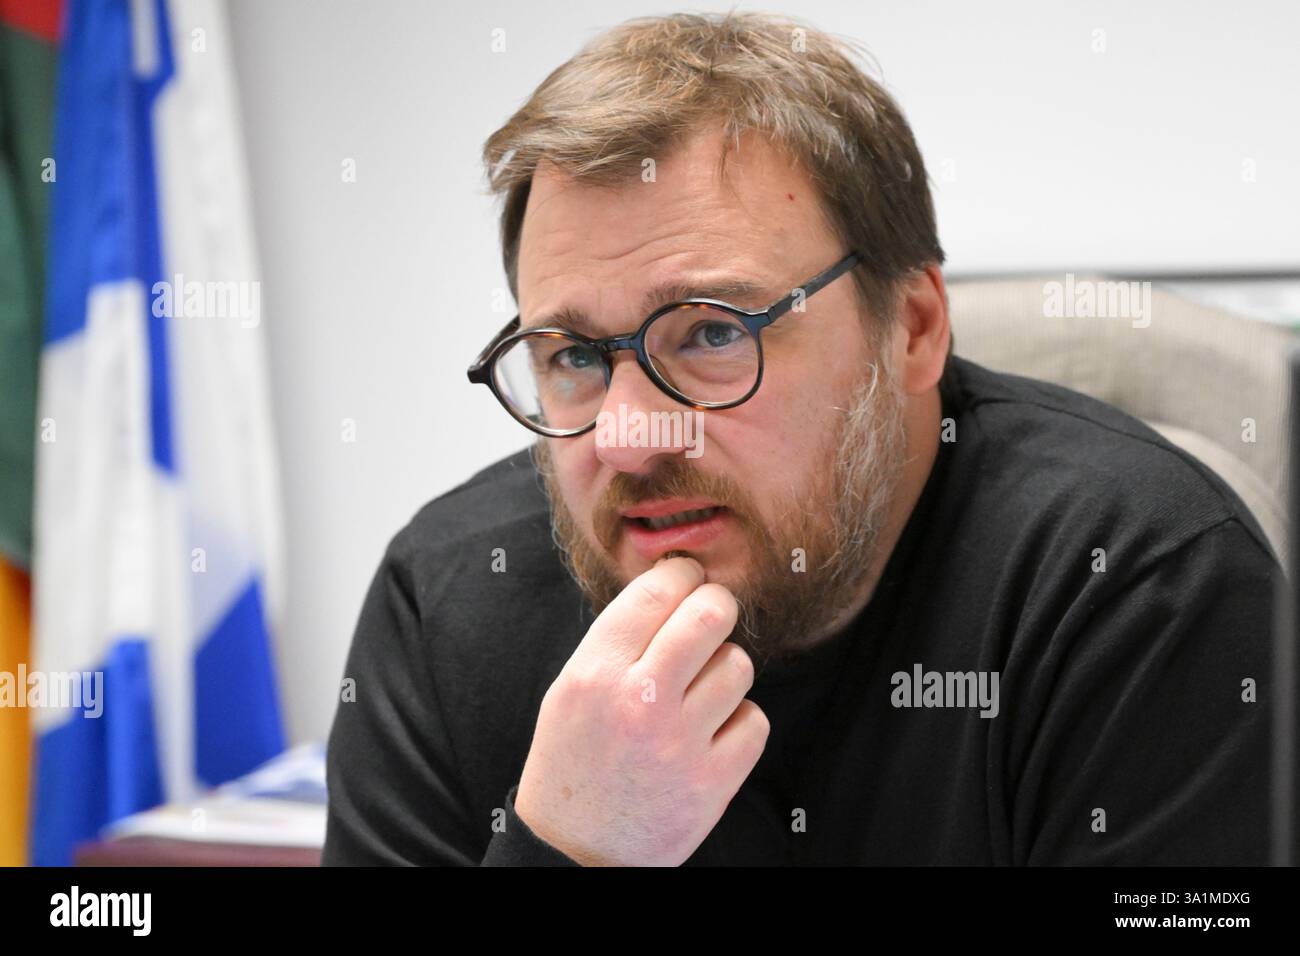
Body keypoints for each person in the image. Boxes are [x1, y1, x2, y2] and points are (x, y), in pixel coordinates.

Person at [322, 12, 1277, 866]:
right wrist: (572, 851)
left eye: (710, 334)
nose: (624, 437)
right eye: (570, 354)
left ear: (910, 327)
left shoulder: (1143, 584)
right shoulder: (447, 598)